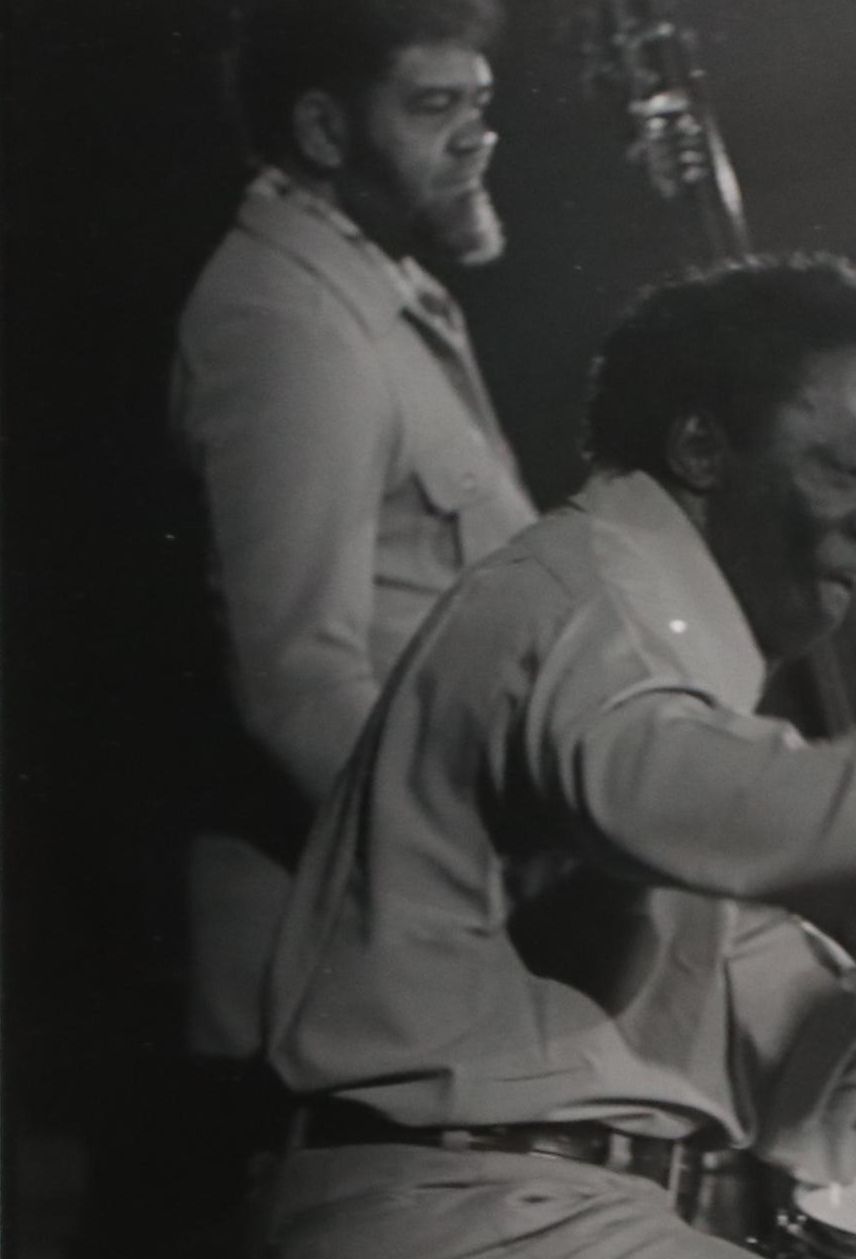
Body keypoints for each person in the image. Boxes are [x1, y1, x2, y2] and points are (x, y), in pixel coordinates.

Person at [253, 253, 856, 1259]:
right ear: (702, 447)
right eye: (849, 470)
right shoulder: (591, 599)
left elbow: (736, 958)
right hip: (468, 1243)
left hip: (508, 1229)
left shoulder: (632, 629)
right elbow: (658, 787)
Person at [171, 0, 536, 1066]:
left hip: (409, 951)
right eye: (433, 107)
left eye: (480, 103)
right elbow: (297, 678)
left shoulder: (378, 283)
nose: (474, 137)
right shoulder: (288, 323)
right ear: (326, 132)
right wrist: (486, 866)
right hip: (350, 978)